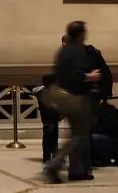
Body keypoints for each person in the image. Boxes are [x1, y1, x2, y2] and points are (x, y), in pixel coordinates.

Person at [43, 21, 101, 184]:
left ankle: (75, 169)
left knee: (77, 134)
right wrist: (91, 77)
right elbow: (75, 76)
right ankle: (54, 166)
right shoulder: (77, 51)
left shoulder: (63, 49)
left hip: (58, 94)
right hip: (72, 97)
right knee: (79, 134)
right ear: (82, 34)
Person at [90, 99, 118, 167]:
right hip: (117, 144)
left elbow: (108, 131)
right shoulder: (109, 112)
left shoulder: (105, 114)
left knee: (93, 138)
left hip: (114, 144)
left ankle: (104, 159)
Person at [33, 73, 60, 164]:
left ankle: (52, 155)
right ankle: (48, 156)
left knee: (52, 138)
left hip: (52, 119)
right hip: (49, 119)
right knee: (49, 139)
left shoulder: (44, 92)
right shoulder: (44, 93)